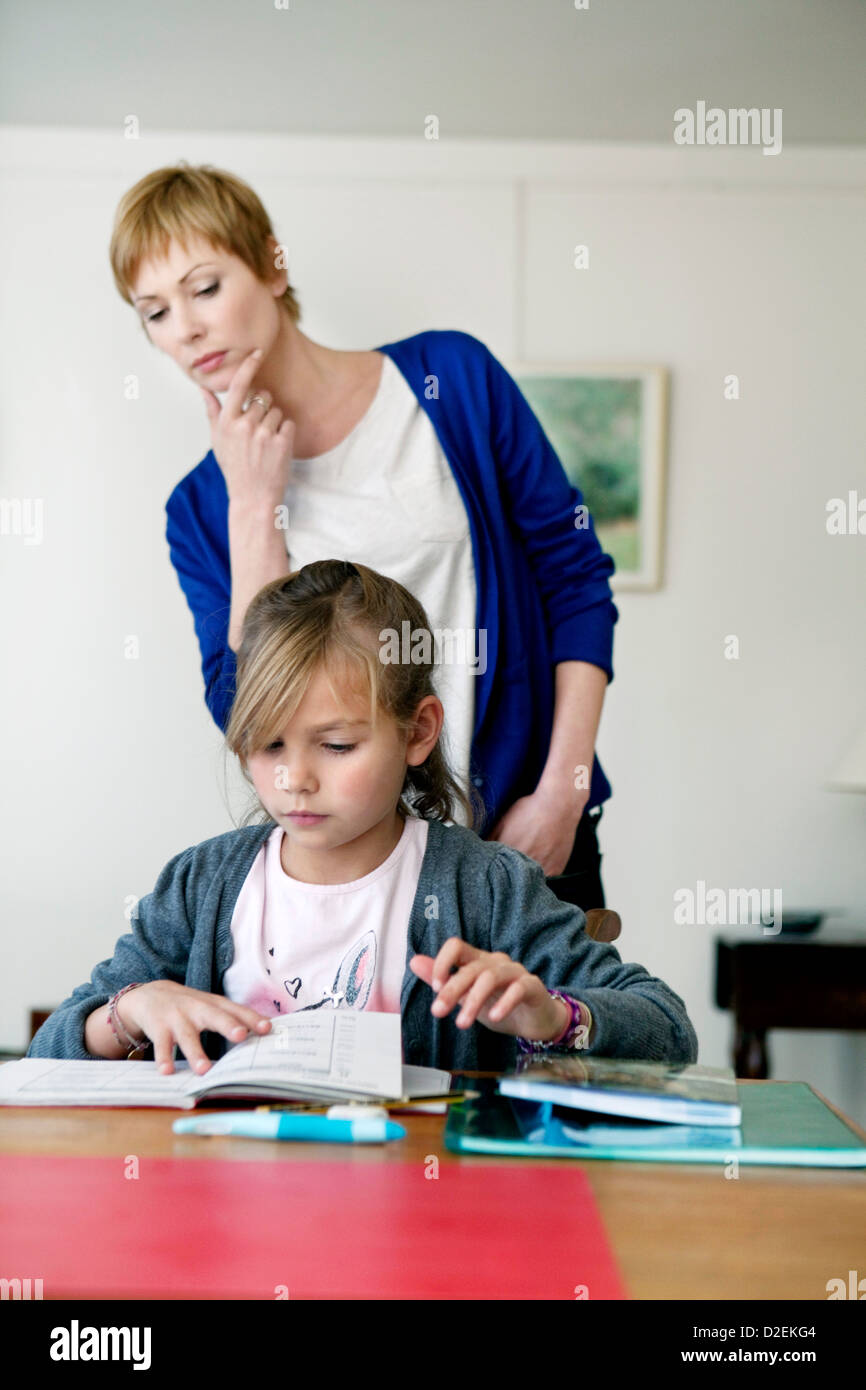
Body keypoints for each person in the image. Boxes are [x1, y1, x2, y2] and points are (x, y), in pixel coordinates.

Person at [108, 162, 618, 910]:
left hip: (528, 829)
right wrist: (253, 507)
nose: (184, 329)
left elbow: (574, 579)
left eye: (205, 288)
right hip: (351, 874)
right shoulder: (200, 507)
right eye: (154, 312)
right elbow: (246, 713)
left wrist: (562, 794)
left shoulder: (453, 380)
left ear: (272, 268)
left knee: (575, 1028)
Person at [28, 561, 696, 1074]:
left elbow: (669, 1030)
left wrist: (552, 1016)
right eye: (269, 744)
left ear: (418, 731)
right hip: (231, 1220)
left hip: (422, 1221)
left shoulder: (484, 885)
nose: (296, 779)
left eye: (337, 745)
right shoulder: (201, 886)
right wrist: (128, 1013)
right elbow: (49, 1052)